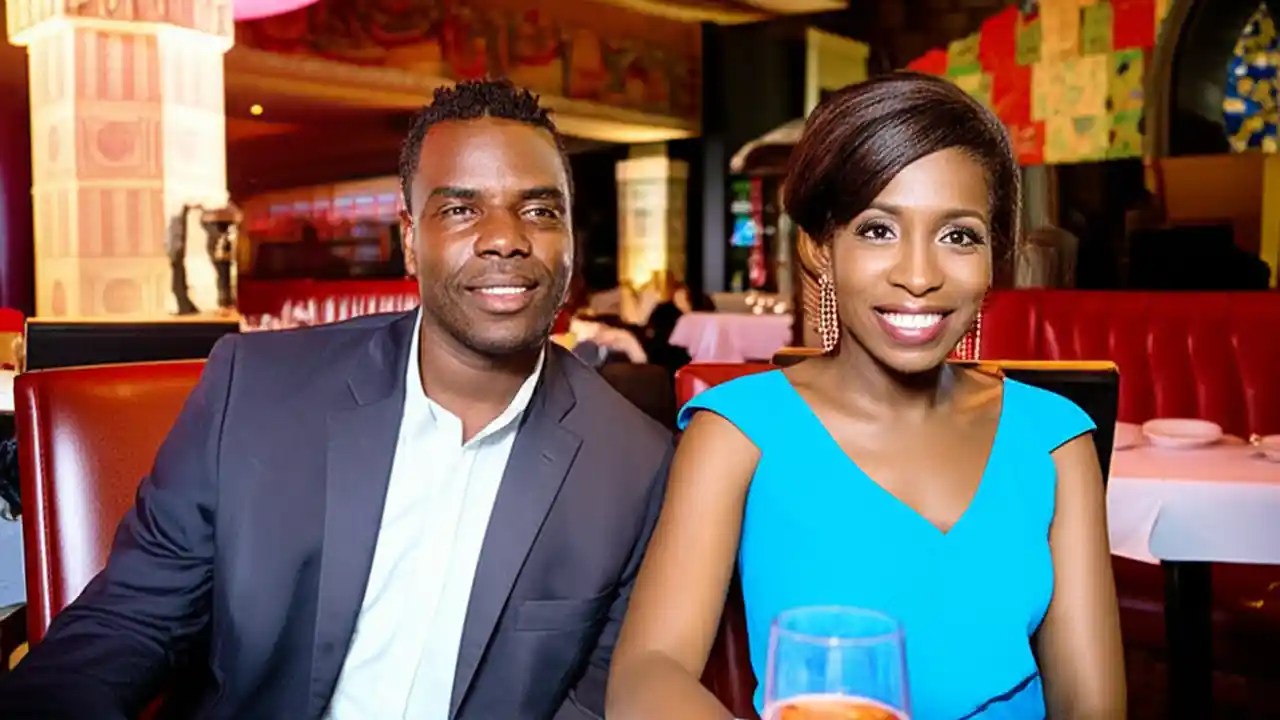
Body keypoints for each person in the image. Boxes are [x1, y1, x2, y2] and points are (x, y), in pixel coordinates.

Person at [0, 78, 672, 719]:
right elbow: (128, 624)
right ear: (410, 241)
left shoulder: (639, 468)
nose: (505, 237)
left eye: (539, 209)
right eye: (462, 209)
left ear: (570, 241)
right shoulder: (256, 391)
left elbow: (597, 704)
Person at [607, 72, 1125, 720]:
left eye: (958, 235)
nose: (918, 275)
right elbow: (647, 673)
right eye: (879, 229)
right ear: (820, 246)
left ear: (996, 256)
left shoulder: (1054, 438)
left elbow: (1093, 705)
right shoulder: (739, 433)